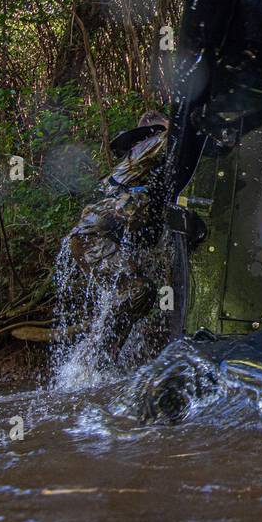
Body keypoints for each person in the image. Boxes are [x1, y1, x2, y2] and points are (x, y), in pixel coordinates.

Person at [65, 109, 170, 357]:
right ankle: (93, 359)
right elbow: (175, 139)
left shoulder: (140, 163)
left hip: (91, 238)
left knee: (133, 294)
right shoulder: (155, 142)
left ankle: (101, 358)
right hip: (92, 239)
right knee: (138, 290)